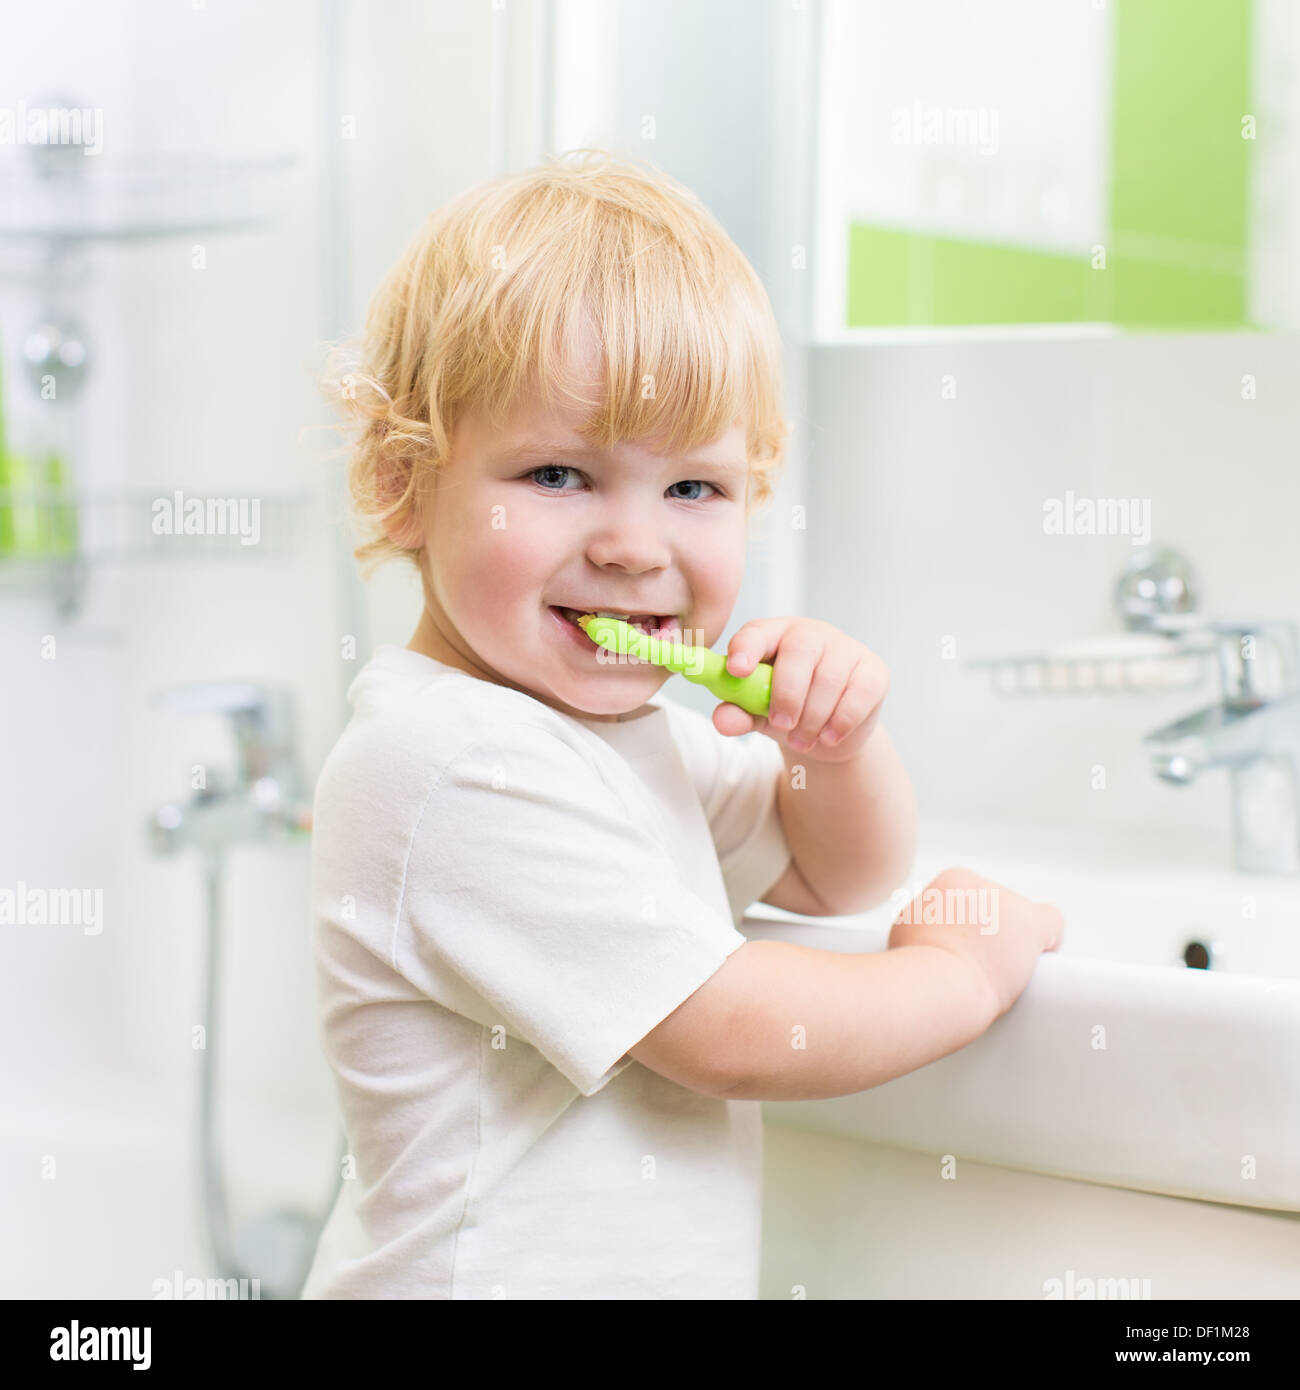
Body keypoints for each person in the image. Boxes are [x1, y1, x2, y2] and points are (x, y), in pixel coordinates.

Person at [299, 149, 1064, 1300]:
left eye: (691, 489)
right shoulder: (452, 761)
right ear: (404, 484)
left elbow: (832, 874)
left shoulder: (612, 733)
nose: (633, 545)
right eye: (560, 472)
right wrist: (958, 977)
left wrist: (835, 750)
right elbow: (732, 1031)